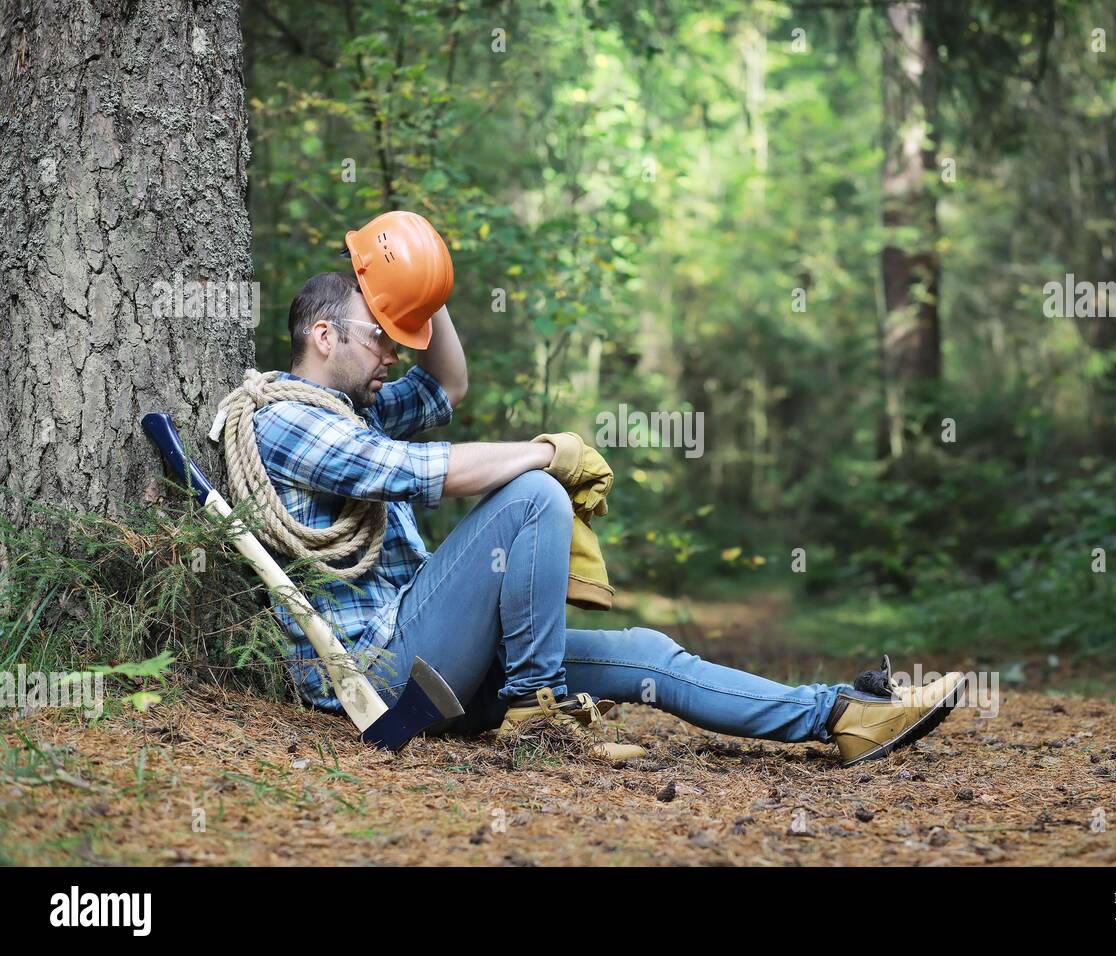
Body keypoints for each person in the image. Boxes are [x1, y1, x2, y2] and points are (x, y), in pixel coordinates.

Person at [253, 214, 966, 765]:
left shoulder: (361, 409)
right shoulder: (284, 421)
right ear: (323, 334)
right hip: (378, 674)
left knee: (650, 654)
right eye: (381, 336)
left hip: (436, 654)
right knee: (535, 493)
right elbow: (419, 472)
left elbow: (448, 384)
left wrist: (415, 282)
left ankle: (843, 717)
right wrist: (542, 452)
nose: (392, 354)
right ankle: (539, 709)